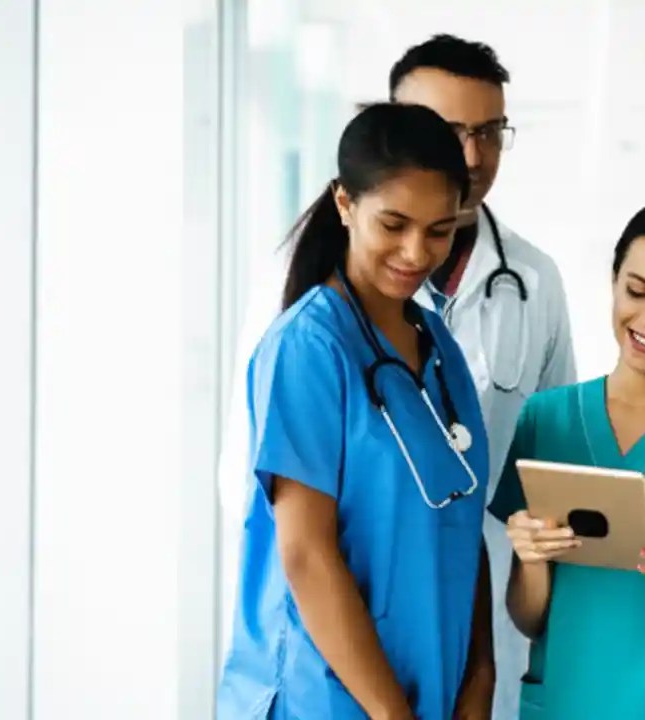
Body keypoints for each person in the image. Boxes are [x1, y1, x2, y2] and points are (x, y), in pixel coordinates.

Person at [215, 103, 494, 720]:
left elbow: (459, 523)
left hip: (428, 691)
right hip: (326, 698)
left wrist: (479, 679)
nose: (416, 252)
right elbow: (306, 555)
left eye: (439, 230)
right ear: (345, 205)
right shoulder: (310, 347)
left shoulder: (439, 348)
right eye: (392, 223)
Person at [487, 199, 645, 720]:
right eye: (636, 291)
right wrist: (533, 557)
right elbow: (530, 619)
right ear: (613, 280)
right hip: (560, 701)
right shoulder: (548, 419)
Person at [388, 35, 578, 720]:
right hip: (359, 614)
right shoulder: (304, 282)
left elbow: (557, 469)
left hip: (490, 625)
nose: (471, 158)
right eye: (448, 132)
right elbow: (252, 481)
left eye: (489, 132)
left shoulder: (532, 280)